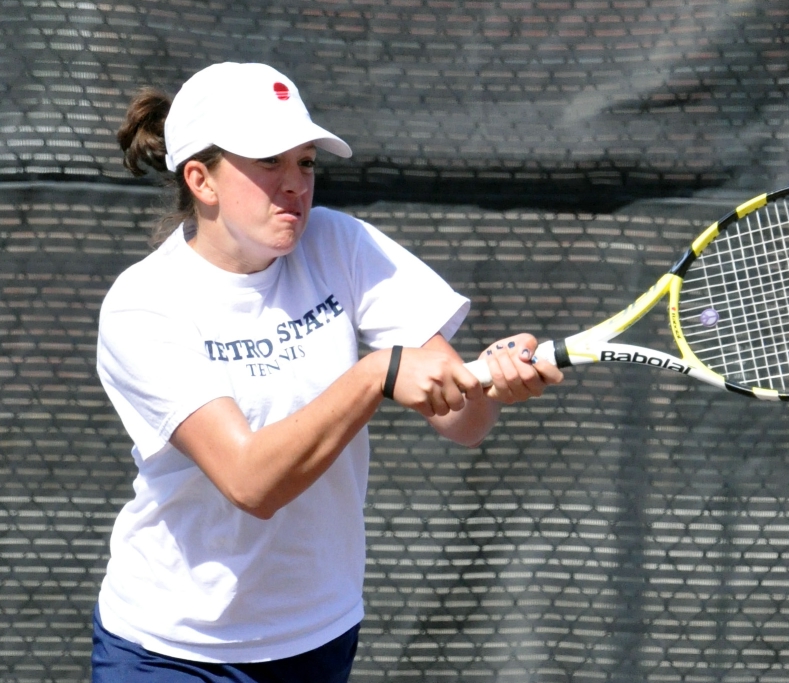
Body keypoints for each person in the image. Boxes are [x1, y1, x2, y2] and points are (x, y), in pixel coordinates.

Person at [91, 62, 563, 682]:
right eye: (269, 163)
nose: (295, 185)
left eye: (306, 162)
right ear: (201, 180)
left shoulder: (340, 245)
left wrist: (493, 386)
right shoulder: (144, 305)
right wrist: (374, 376)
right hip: (171, 651)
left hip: (317, 634)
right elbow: (251, 481)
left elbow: (463, 421)